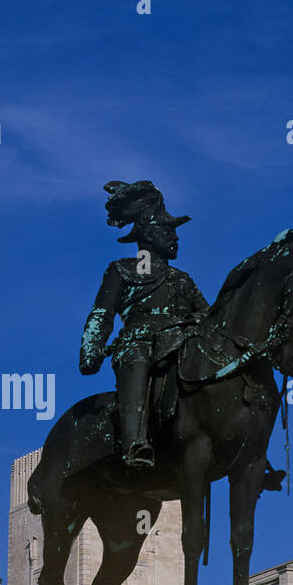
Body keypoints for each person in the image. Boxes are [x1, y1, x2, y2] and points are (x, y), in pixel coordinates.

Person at [79, 180, 206, 470]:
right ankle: (135, 442)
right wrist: (92, 348)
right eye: (169, 230)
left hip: (182, 342)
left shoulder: (182, 279)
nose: (176, 237)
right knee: (137, 359)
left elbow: (209, 315)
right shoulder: (121, 270)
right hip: (138, 343)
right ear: (149, 234)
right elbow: (102, 313)